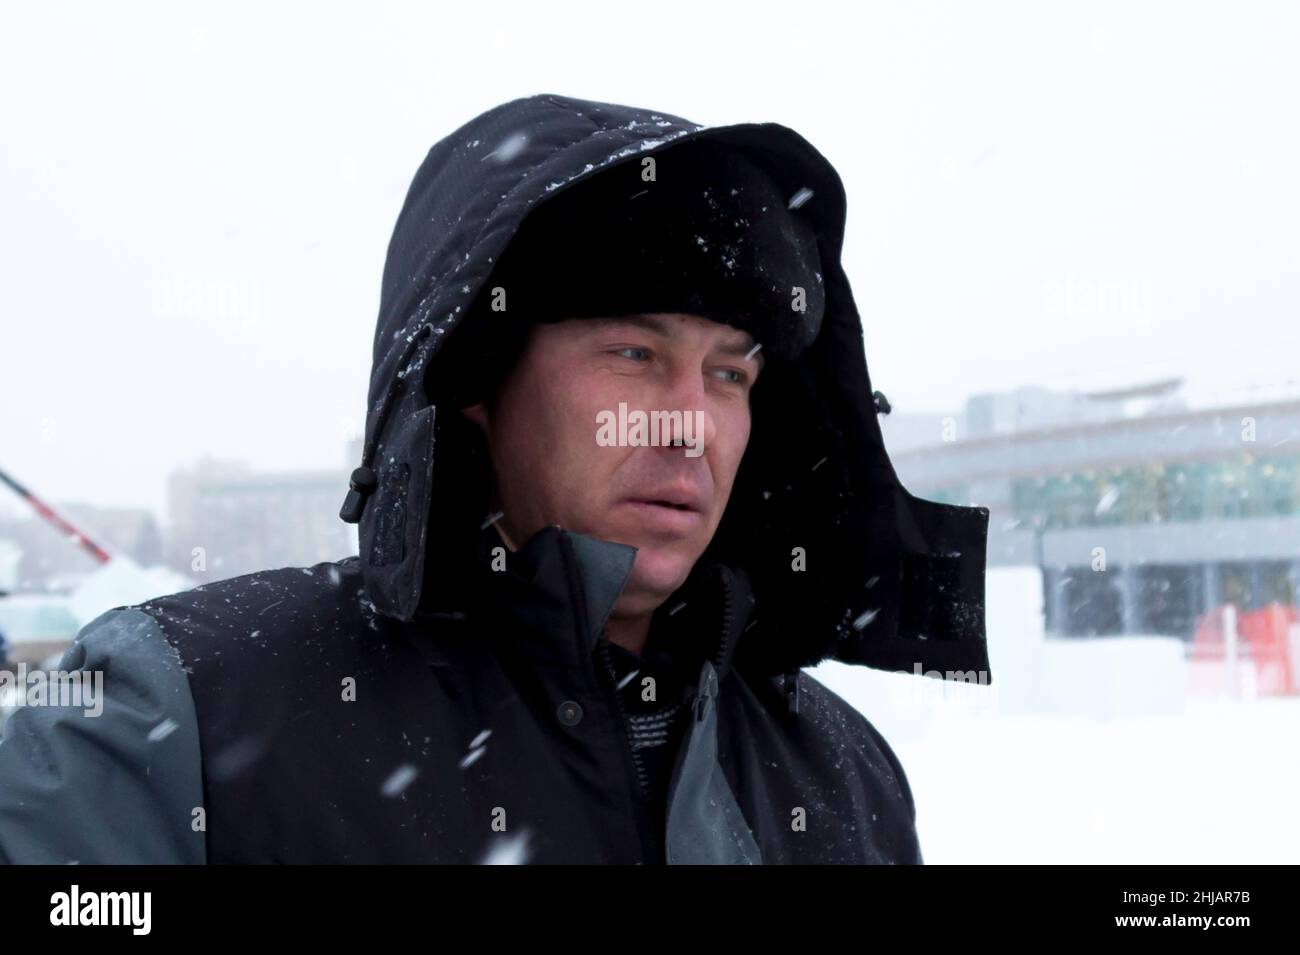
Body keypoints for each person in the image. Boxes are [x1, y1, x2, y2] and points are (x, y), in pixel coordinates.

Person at [0, 93, 991, 864]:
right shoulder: (174, 722)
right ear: (478, 383)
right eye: (634, 354)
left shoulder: (845, 772)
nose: (691, 425)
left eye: (729, 372)